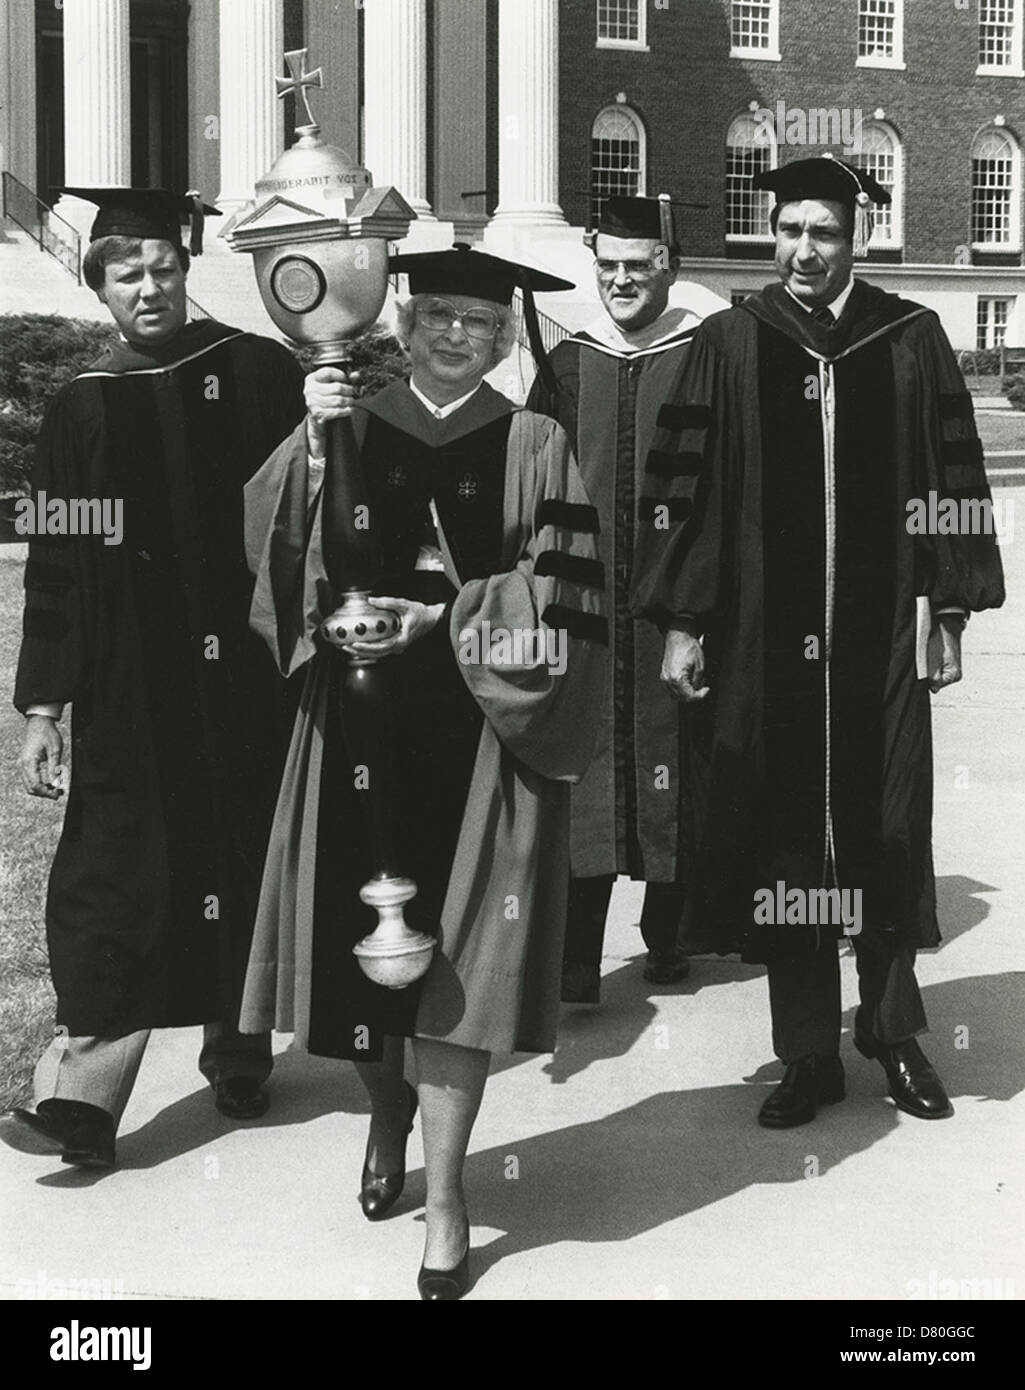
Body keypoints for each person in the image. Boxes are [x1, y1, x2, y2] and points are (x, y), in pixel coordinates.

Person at [239, 245, 607, 1298]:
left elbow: (571, 603)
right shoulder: (347, 426)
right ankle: (385, 1109)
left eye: (478, 322)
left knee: (456, 984)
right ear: (400, 314)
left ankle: (445, 1201)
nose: (456, 334)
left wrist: (445, 615)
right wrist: (311, 446)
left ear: (502, 336)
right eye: (437, 313)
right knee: (356, 965)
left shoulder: (534, 441)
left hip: (482, 738)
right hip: (351, 731)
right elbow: (268, 559)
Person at [633, 156, 1005, 1128]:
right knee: (784, 841)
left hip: (880, 639)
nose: (802, 249)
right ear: (772, 233)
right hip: (765, 642)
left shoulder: (911, 339)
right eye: (789, 229)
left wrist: (951, 610)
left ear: (856, 239)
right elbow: (686, 490)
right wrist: (680, 620)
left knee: (885, 829)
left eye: (823, 232)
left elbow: (948, 479)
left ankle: (888, 1030)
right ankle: (804, 1051)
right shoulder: (729, 341)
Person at [2, 188, 305, 1169]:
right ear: (100, 285)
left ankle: (240, 1048)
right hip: (129, 689)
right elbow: (54, 562)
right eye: (125, 272)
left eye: (162, 269)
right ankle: (83, 1098)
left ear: (187, 270)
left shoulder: (256, 372)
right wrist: (45, 702)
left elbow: (310, 507)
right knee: (112, 877)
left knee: (239, 855)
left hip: (245, 677)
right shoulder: (85, 401)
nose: (147, 287)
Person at [527, 195, 703, 1004]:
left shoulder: (703, 357)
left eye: (639, 266)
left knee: (676, 764)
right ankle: (573, 958)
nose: (622, 282)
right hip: (584, 604)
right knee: (586, 770)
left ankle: (669, 936)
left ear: (667, 265)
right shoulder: (566, 365)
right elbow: (529, 482)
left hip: (674, 602)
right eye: (608, 269)